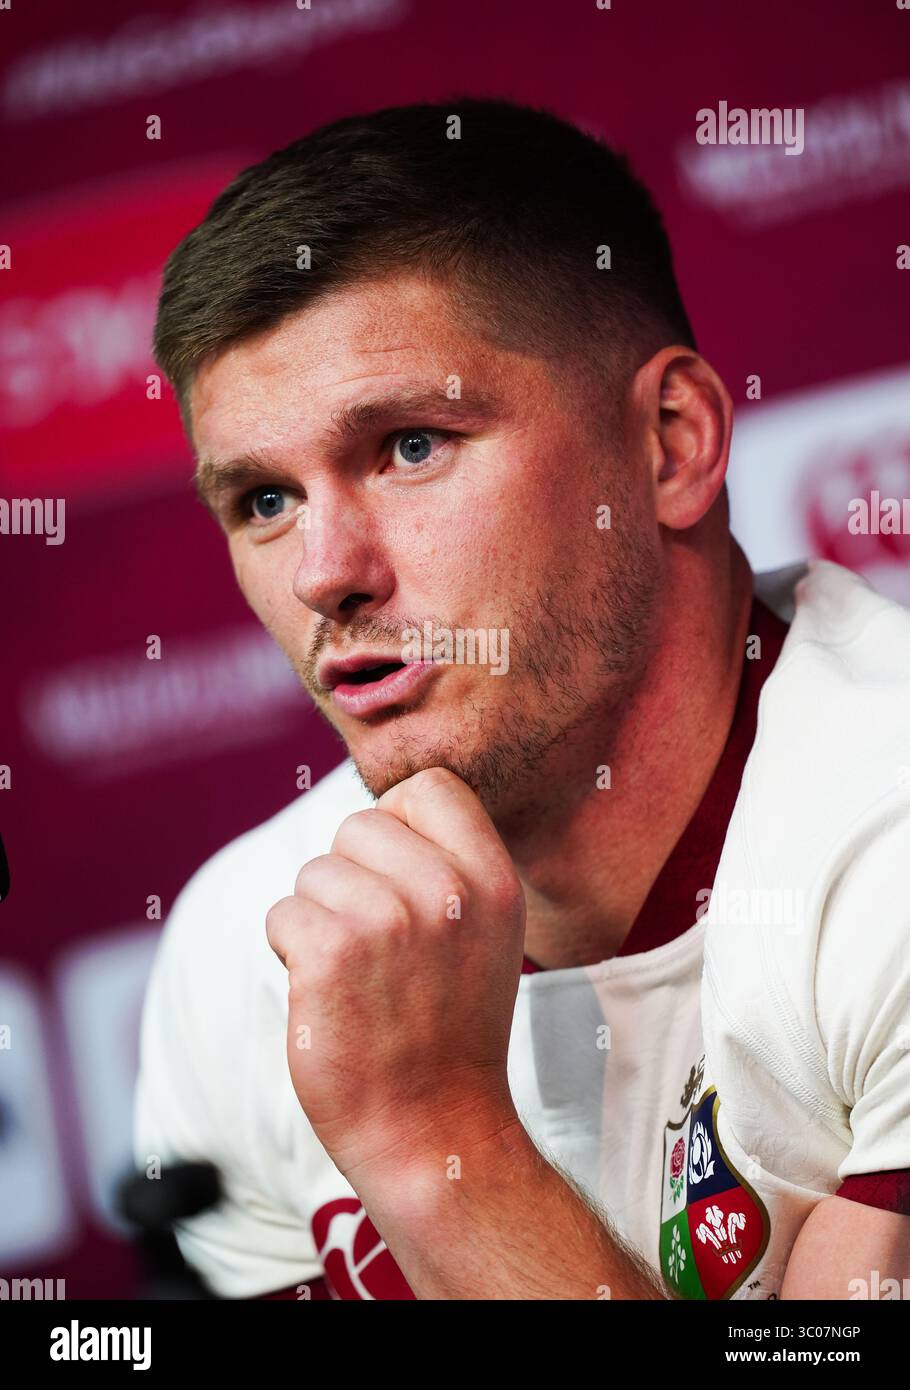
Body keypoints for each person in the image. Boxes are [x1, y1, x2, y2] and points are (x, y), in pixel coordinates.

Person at [134, 97, 910, 1300]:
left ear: (668, 442)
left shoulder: (887, 827)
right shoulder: (243, 945)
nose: (324, 571)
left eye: (408, 446)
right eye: (263, 501)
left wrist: (432, 1137)